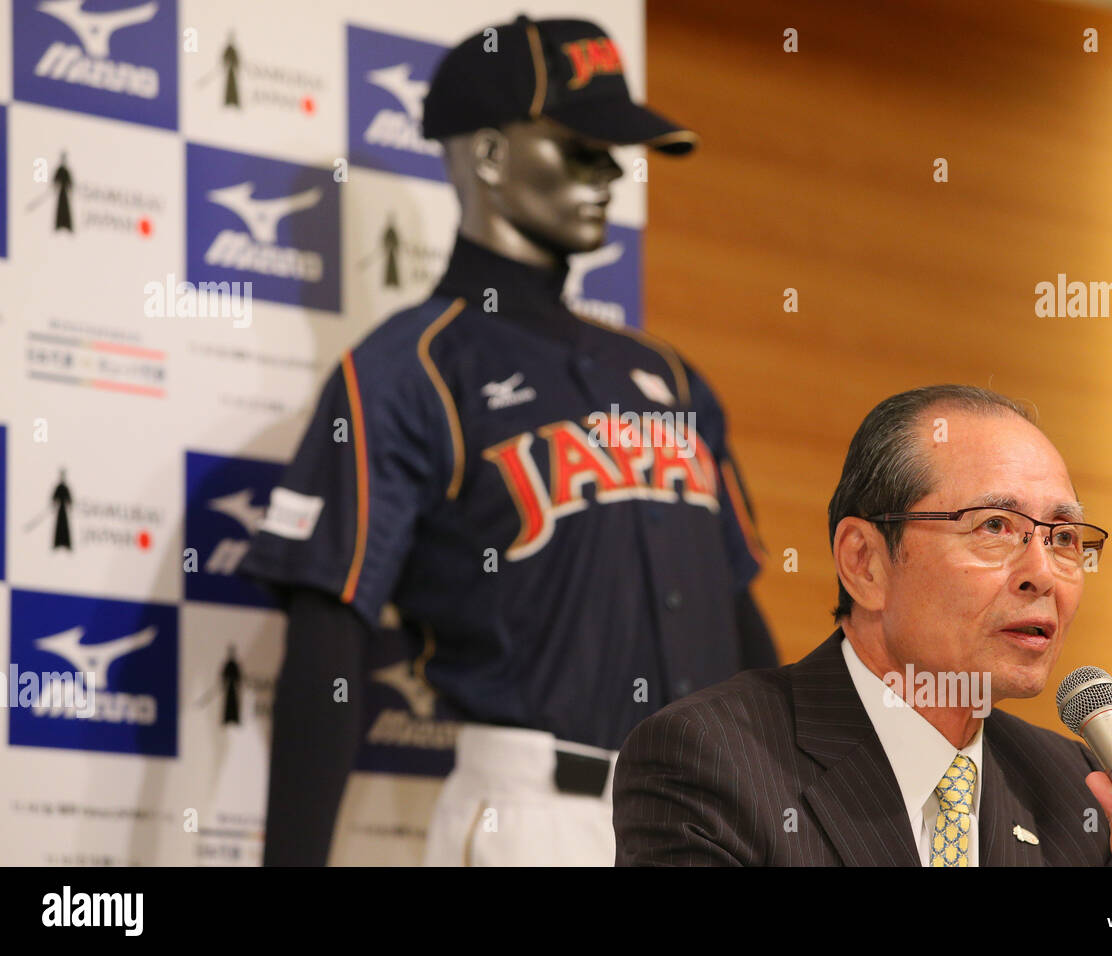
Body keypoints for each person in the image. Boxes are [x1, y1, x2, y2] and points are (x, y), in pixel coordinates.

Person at [239, 14, 776, 867]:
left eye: (617, 152)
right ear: (489, 156)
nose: (611, 175)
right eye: (583, 149)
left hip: (712, 820)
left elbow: (738, 617)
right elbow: (327, 636)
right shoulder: (409, 368)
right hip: (541, 821)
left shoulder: (670, 378)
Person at [613, 385, 1112, 866]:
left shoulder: (1082, 797)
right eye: (994, 527)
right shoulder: (710, 758)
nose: (1043, 573)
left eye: (1063, 538)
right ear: (865, 563)